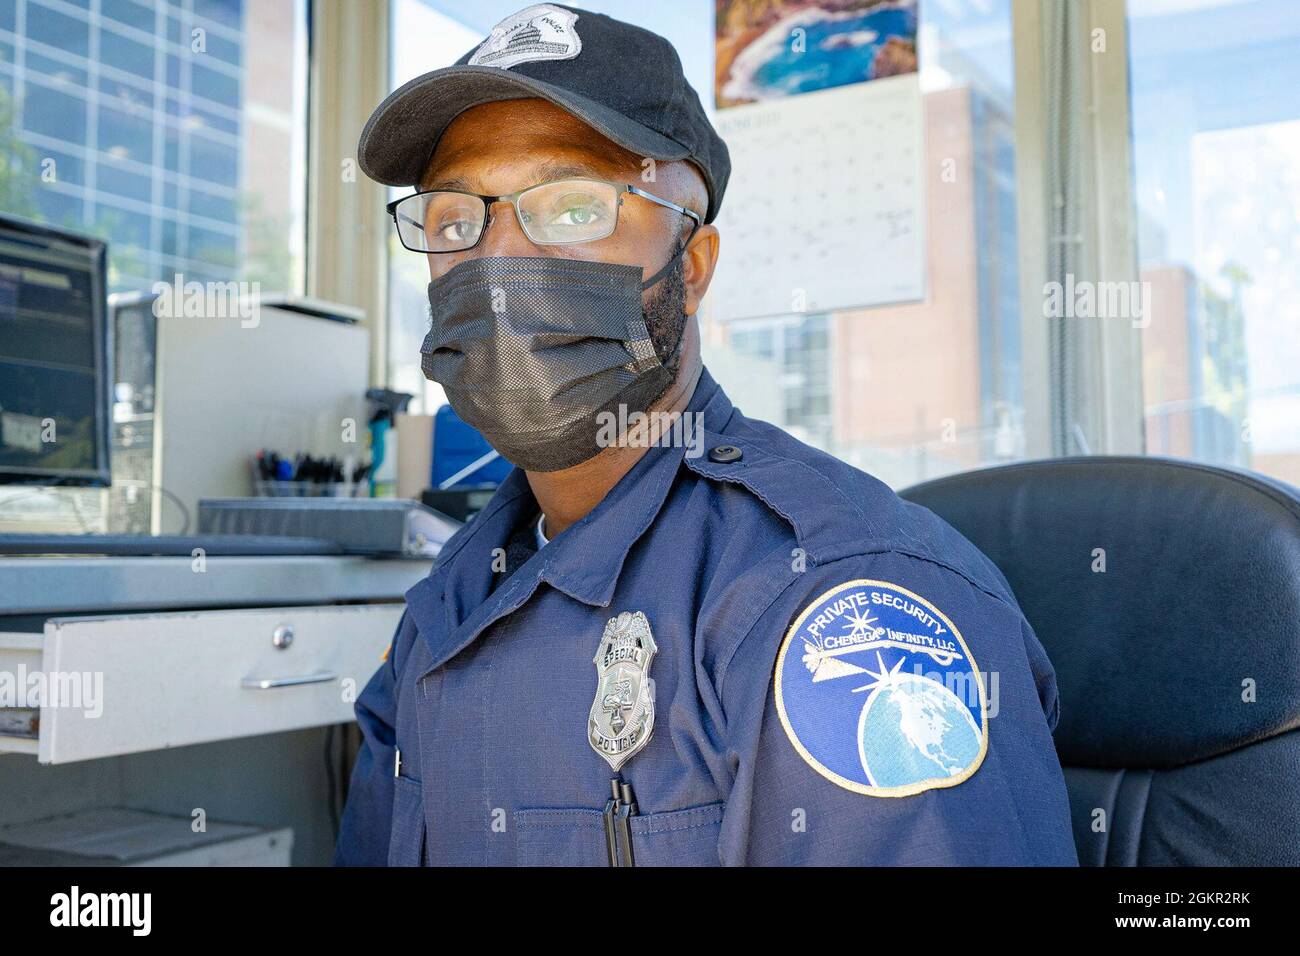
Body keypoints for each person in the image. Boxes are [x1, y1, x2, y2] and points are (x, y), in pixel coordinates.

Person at [335, 3, 1077, 866]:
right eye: (457, 219)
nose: (497, 263)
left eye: (573, 206)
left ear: (690, 267)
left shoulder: (835, 601)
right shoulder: (453, 596)